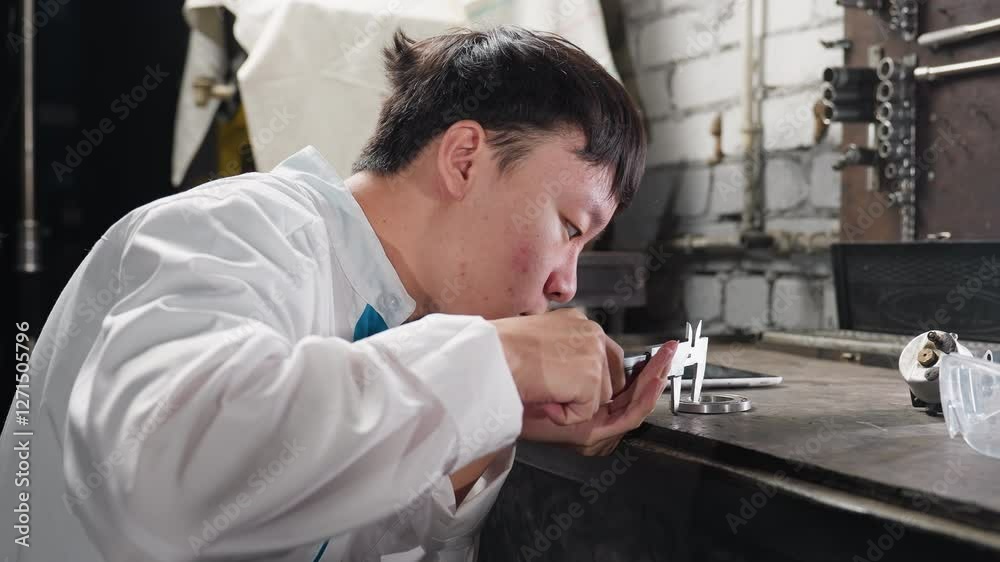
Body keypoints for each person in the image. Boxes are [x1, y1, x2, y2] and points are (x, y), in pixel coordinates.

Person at [0, 26, 677, 561]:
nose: (565, 283)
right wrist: (497, 363)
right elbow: (160, 485)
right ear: (465, 157)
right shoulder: (237, 229)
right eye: (568, 226)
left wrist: (487, 422)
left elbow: (328, 524)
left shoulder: (391, 314)